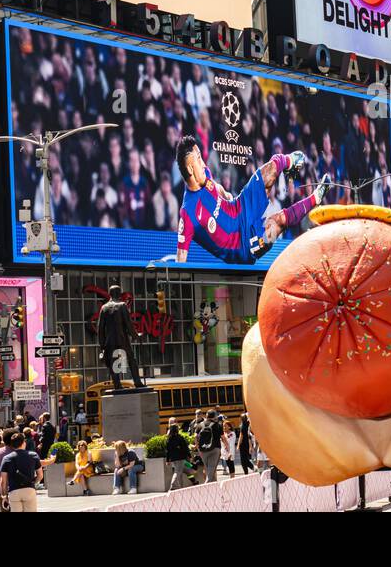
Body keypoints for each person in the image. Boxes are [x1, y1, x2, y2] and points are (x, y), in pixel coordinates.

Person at [174, 136, 330, 266]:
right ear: (189, 169)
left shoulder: (204, 173)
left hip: (239, 207)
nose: (203, 163)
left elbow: (216, 187)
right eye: (199, 158)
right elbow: (180, 259)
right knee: (279, 221)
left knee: (270, 170)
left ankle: (290, 162)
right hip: (242, 247)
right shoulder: (188, 213)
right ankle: (316, 198)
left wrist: (227, 195)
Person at [97, 283, 144, 390]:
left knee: (114, 362)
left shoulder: (104, 308)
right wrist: (136, 336)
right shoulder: (122, 306)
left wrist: (102, 345)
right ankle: (137, 382)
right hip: (122, 339)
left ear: (109, 294)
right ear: (119, 294)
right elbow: (129, 324)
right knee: (131, 359)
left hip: (110, 341)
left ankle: (117, 385)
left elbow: (100, 328)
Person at [0, 431, 44, 512]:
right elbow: (40, 475)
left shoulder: (6, 458)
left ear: (12, 445)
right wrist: (34, 482)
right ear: (23, 443)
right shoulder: (33, 455)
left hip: (14, 491)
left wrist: (4, 496)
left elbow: (3, 481)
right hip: (29, 489)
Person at [196, 410, 224, 483]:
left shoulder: (200, 425)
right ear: (214, 416)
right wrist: (228, 447)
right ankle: (206, 487)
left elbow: (195, 437)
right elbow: (223, 438)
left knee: (209, 469)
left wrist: (198, 448)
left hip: (203, 450)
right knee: (211, 469)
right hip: (215, 449)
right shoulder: (217, 425)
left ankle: (214, 489)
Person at [165, 419, 191, 490]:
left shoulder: (169, 439)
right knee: (177, 472)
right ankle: (173, 485)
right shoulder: (180, 438)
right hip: (180, 458)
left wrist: (167, 460)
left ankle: (180, 487)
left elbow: (168, 451)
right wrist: (189, 456)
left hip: (173, 459)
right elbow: (185, 448)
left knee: (179, 471)